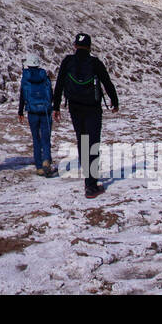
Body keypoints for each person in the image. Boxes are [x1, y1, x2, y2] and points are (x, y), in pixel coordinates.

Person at [52, 33, 119, 199]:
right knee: (93, 144)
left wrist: (56, 107)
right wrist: (114, 101)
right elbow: (107, 82)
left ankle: (88, 179)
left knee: (83, 142)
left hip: (75, 107)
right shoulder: (95, 63)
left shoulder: (67, 61)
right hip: (93, 108)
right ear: (89, 47)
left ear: (75, 46)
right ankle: (91, 184)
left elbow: (59, 83)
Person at [16, 53, 57, 177]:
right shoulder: (44, 75)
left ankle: (39, 166)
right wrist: (54, 107)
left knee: (36, 138)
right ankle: (46, 160)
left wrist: (20, 111)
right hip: (45, 110)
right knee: (46, 137)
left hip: (32, 111)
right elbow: (50, 92)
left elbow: (23, 94)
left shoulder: (25, 77)